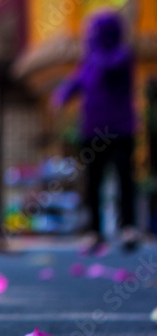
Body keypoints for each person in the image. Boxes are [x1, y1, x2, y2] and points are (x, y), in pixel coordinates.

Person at [53, 11, 138, 254]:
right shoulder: (89, 60)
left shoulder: (120, 55)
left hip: (121, 130)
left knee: (124, 179)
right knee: (93, 182)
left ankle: (128, 227)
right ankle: (94, 231)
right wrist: (63, 95)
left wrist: (92, 51)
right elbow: (78, 82)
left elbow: (107, 67)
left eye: (93, 32)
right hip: (92, 131)